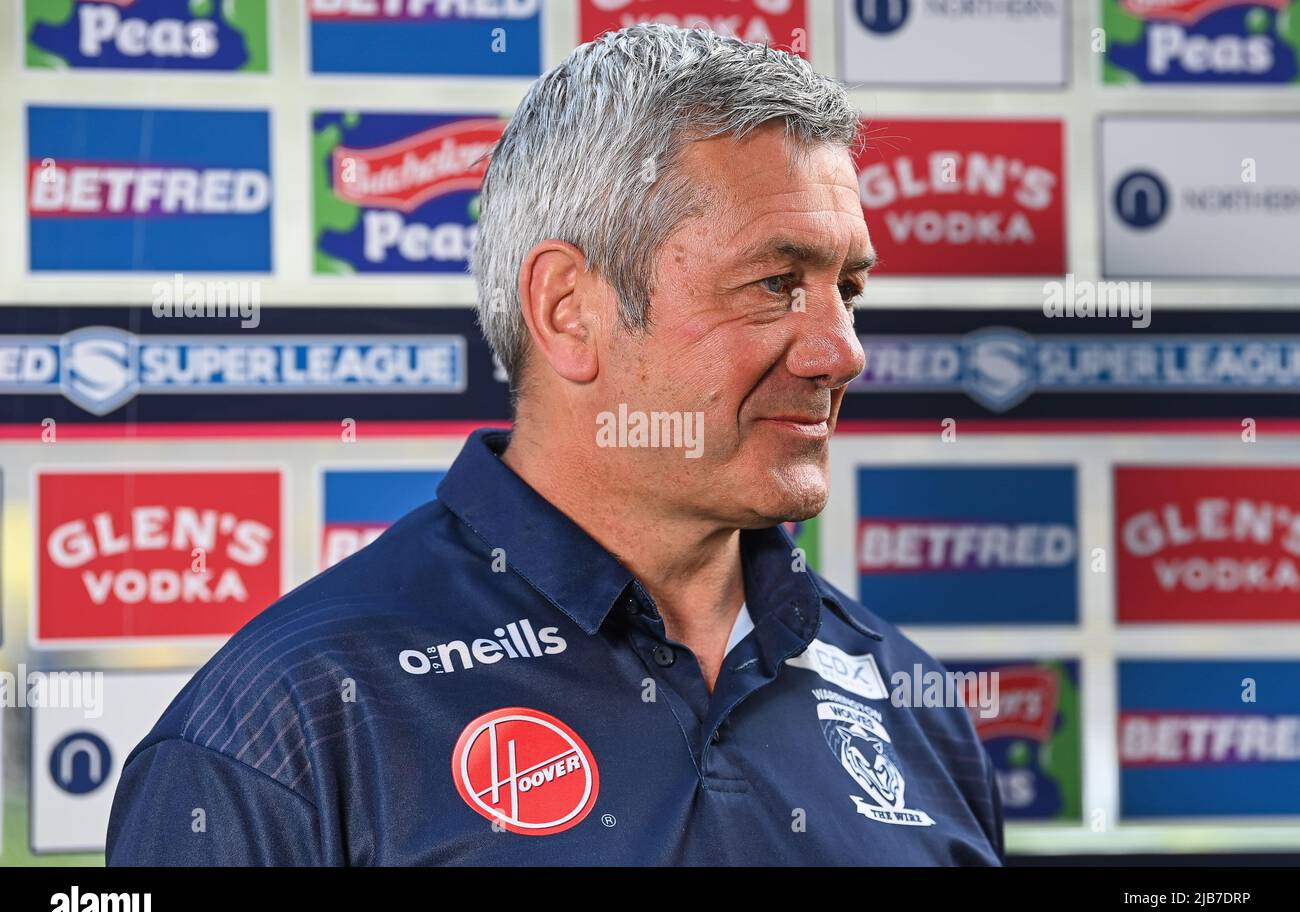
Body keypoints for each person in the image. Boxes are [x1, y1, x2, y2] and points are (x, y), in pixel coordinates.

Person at [107, 23, 1003, 866]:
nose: (843, 350)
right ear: (569, 310)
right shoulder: (287, 725)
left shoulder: (910, 700)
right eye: (776, 284)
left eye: (848, 288)